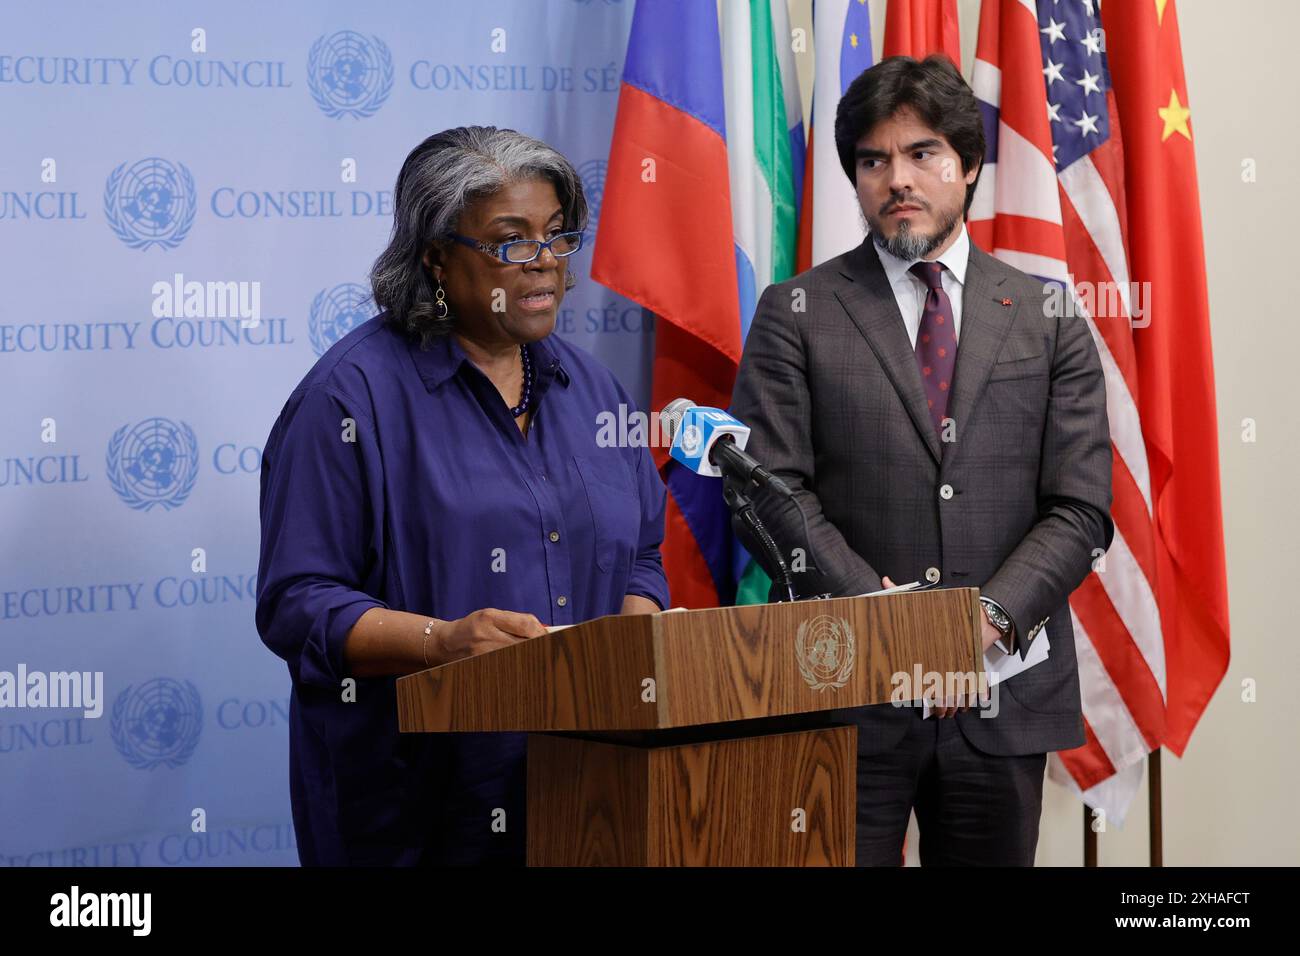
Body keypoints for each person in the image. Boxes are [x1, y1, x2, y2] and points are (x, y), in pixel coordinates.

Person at [730, 56, 1113, 866]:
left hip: (1003, 689)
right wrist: (887, 620)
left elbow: (1080, 507)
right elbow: (770, 492)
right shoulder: (797, 313)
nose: (897, 179)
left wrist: (986, 619)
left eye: (923, 154)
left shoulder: (1048, 318)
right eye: (874, 161)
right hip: (844, 688)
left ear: (969, 165)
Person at [255, 126, 669, 866]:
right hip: (418, 811)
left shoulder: (594, 388)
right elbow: (297, 603)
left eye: (556, 234)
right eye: (511, 241)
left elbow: (640, 551)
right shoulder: (349, 401)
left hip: (587, 793)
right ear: (436, 258)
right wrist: (441, 643)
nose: (544, 261)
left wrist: (634, 631)